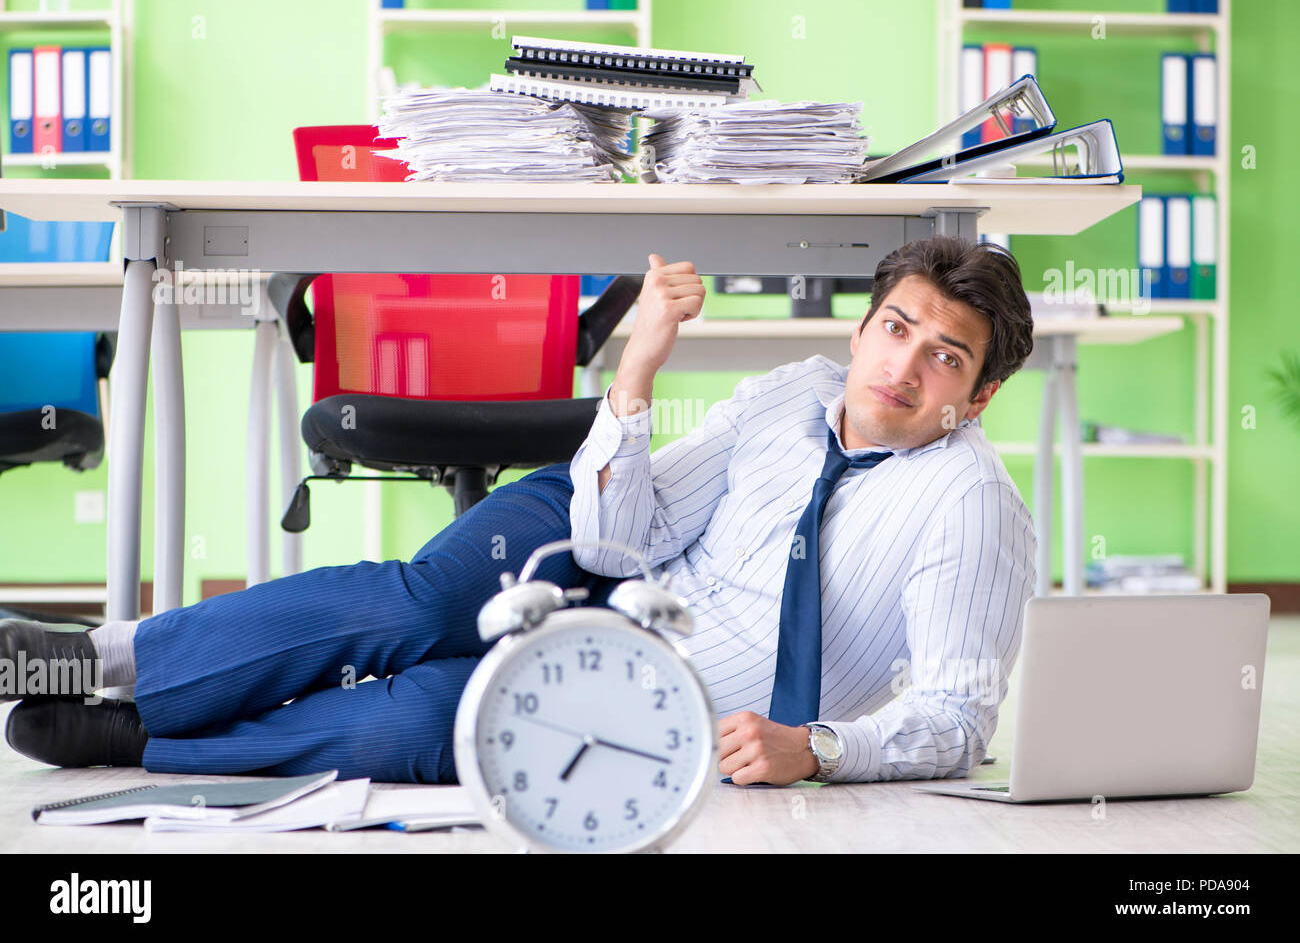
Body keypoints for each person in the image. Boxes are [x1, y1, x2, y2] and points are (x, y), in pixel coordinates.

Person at [2, 235, 1036, 787]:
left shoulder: (969, 503)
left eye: (944, 357)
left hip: (653, 690)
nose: (903, 366)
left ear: (977, 396)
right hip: (601, 525)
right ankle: (97, 656)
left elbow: (958, 714)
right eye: (893, 329)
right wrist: (636, 370)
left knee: (422, 720)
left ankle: (141, 739)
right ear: (860, 334)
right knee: (415, 610)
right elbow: (622, 534)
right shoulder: (793, 390)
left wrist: (820, 748)